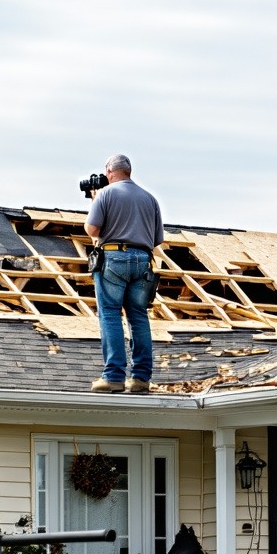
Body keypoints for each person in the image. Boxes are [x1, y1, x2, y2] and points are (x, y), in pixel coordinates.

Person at [84, 153, 163, 393]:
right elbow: (158, 239)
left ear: (109, 171)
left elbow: (93, 229)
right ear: (129, 171)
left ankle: (113, 376)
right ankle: (140, 378)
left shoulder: (106, 194)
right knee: (138, 316)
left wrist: (95, 202)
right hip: (143, 259)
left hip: (114, 257)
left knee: (109, 313)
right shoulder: (150, 199)